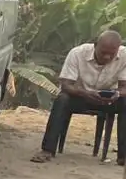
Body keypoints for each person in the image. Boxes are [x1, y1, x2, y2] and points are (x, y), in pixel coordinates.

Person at [32, 30, 126, 164]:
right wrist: (86, 93)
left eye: (112, 54)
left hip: (109, 100)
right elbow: (66, 85)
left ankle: (123, 157)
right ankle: (47, 150)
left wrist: (116, 94)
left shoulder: (124, 56)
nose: (107, 57)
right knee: (62, 99)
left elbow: (124, 87)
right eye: (103, 52)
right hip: (81, 97)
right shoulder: (77, 53)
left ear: (118, 50)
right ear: (95, 45)